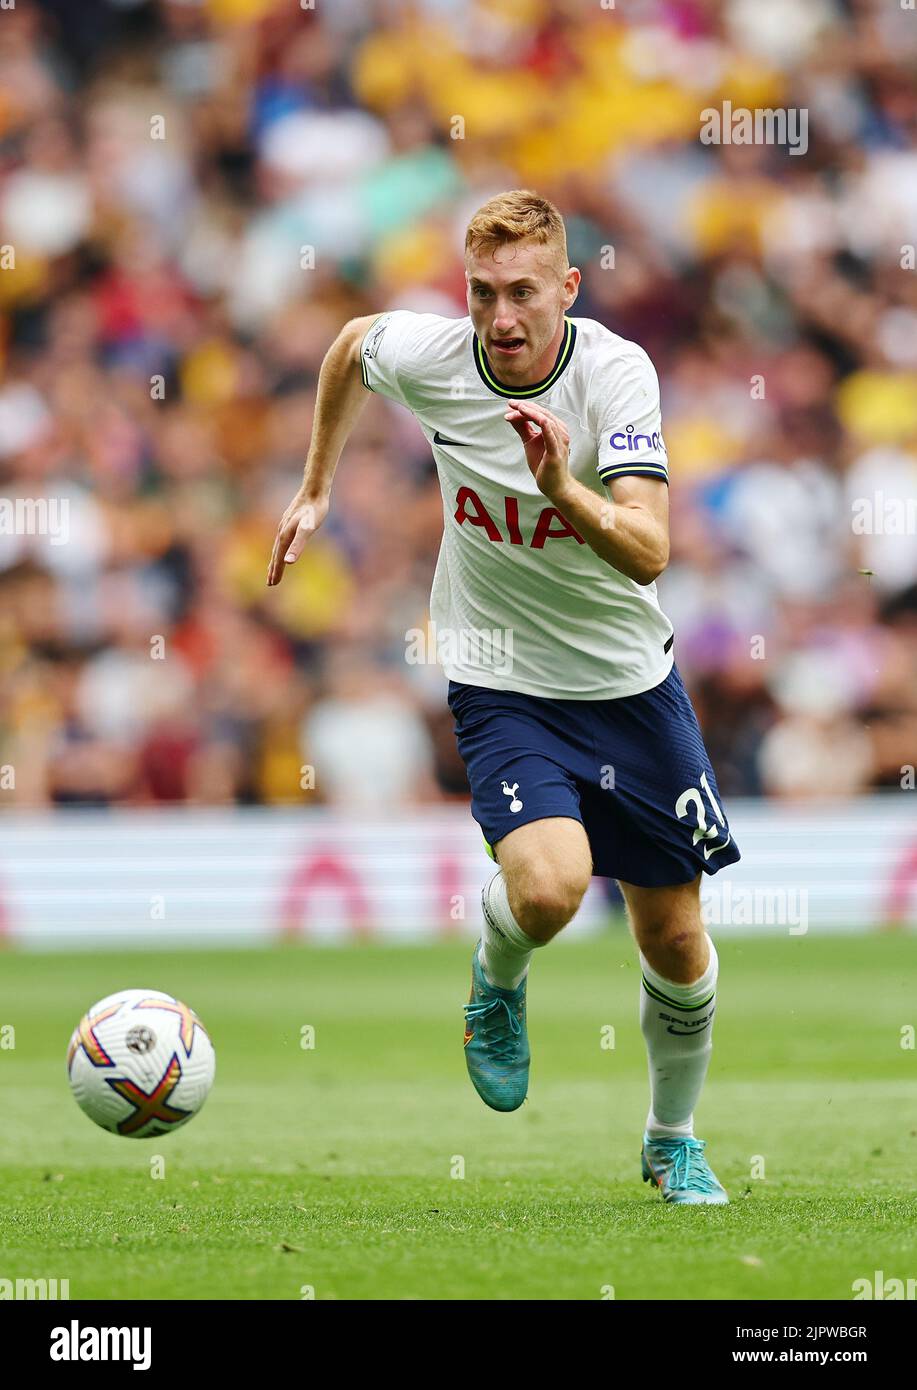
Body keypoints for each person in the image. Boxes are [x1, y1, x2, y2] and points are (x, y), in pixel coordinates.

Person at [268, 190, 741, 1205]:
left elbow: (649, 551)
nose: (500, 316)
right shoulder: (436, 358)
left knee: (671, 935)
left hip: (628, 683)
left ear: (566, 287)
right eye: (482, 292)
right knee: (548, 888)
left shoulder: (615, 374)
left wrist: (561, 485)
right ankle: (496, 979)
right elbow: (350, 345)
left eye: (523, 292)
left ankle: (670, 1138)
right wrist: (316, 485)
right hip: (501, 677)